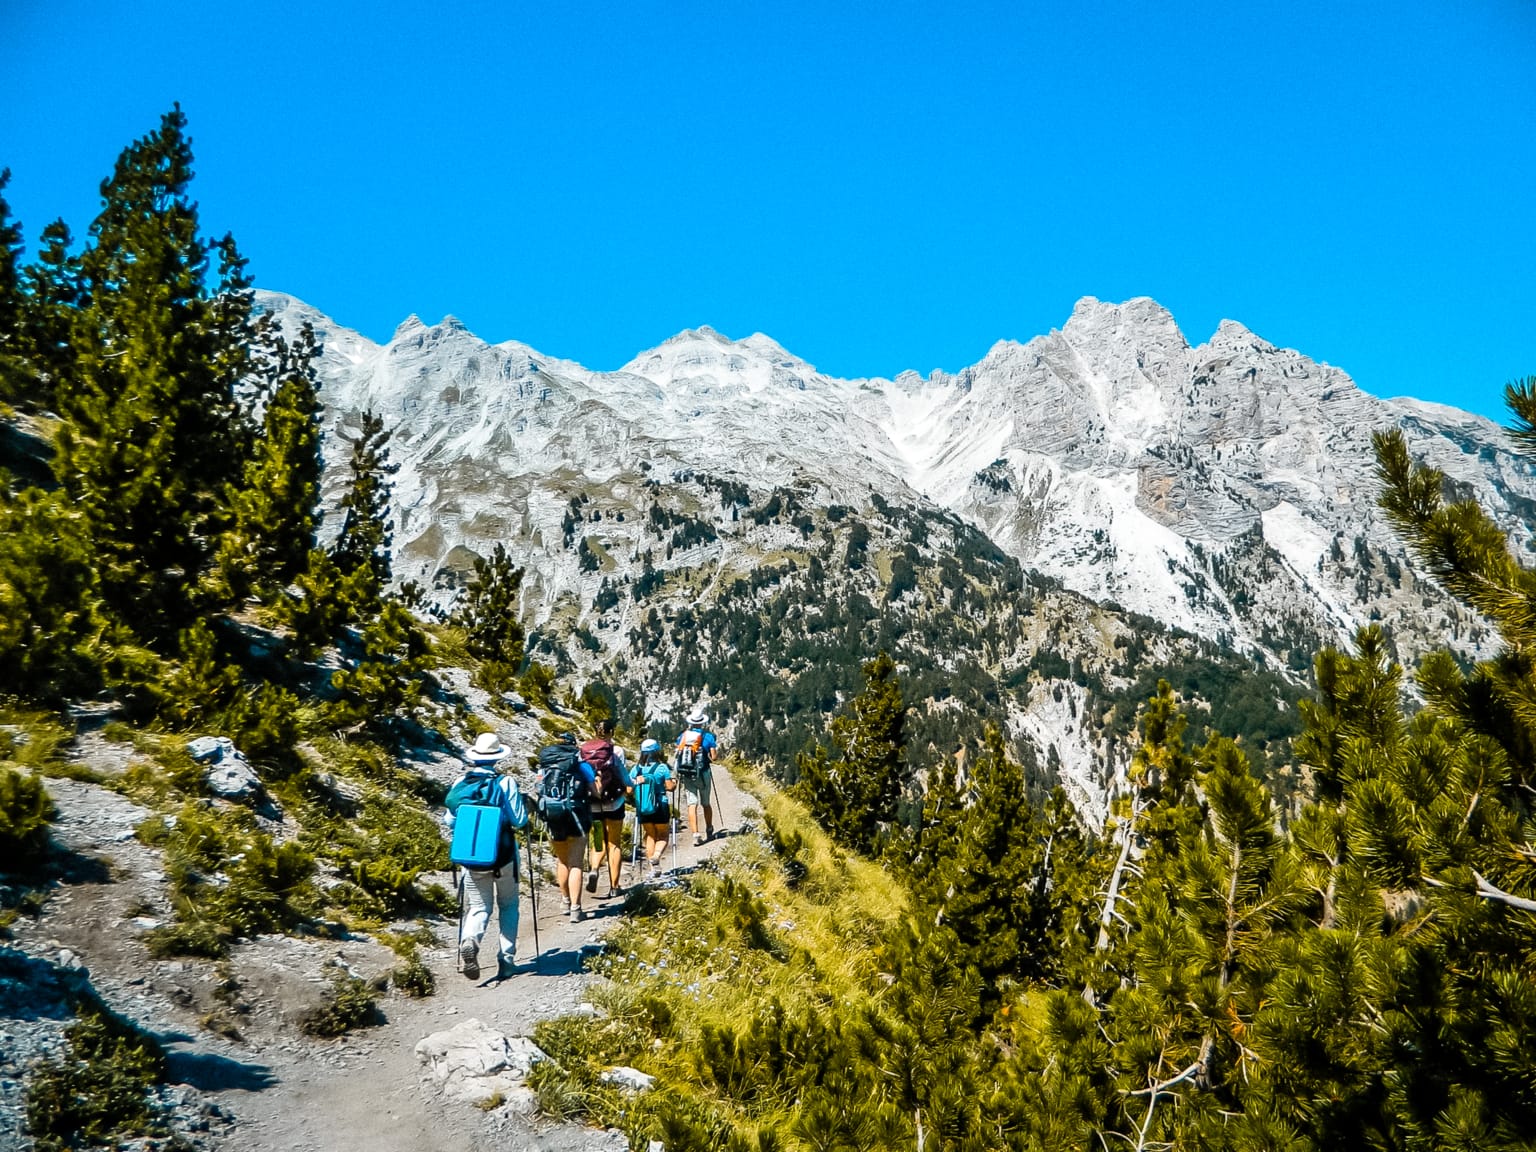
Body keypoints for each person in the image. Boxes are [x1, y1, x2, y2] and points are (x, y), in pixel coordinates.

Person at [444, 731, 529, 980]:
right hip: (503, 855)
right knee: (509, 904)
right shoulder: (505, 783)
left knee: (479, 907)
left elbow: (449, 820)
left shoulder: (460, 782)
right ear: (497, 758)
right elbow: (519, 819)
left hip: (470, 857)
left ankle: (470, 940)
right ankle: (507, 958)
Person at [536, 732, 595, 922]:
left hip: (553, 816)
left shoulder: (545, 766)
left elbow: (538, 789)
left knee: (562, 861)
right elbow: (596, 791)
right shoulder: (581, 765)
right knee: (576, 862)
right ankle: (577, 909)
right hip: (577, 816)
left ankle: (565, 901)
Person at [583, 718, 634, 899]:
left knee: (598, 841)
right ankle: (614, 886)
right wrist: (631, 786)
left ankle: (594, 868)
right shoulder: (616, 751)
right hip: (614, 803)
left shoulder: (584, 749)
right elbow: (624, 777)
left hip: (593, 804)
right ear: (612, 731)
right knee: (614, 843)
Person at [630, 738, 675, 877]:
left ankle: (653, 869)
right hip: (660, 804)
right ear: (657, 751)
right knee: (663, 835)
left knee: (650, 835)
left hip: (643, 806)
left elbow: (628, 789)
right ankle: (656, 856)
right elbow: (669, 787)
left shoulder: (636, 769)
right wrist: (674, 782)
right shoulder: (662, 768)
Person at [675, 710, 719, 846]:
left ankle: (695, 834)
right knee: (705, 803)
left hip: (687, 773)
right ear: (702, 722)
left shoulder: (683, 736)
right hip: (703, 773)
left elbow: (678, 753)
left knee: (691, 804)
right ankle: (709, 829)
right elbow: (714, 757)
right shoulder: (708, 737)